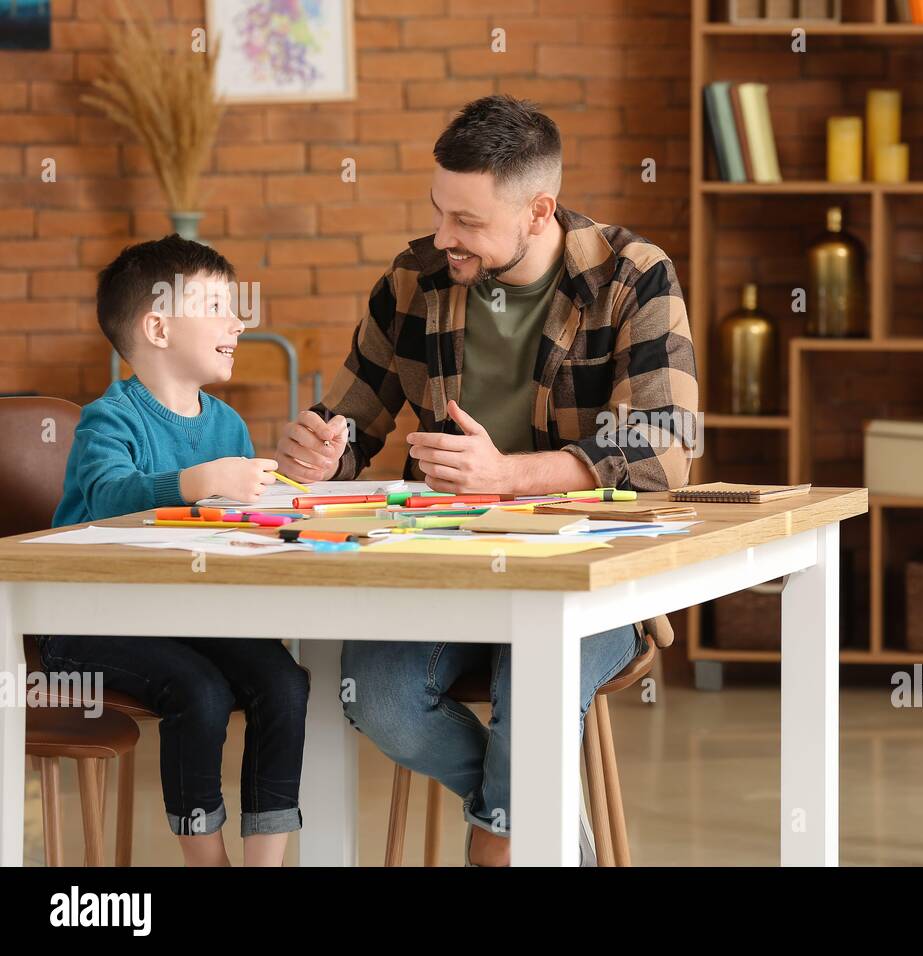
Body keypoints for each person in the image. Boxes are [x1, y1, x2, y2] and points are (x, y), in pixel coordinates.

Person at [274, 95, 698, 866]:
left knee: (535, 678)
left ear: (539, 210)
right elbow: (351, 422)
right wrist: (316, 448)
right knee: (373, 694)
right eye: (440, 212)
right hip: (446, 563)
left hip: (588, 574)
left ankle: (499, 844)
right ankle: (543, 831)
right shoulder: (414, 281)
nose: (444, 238)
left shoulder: (635, 277)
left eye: (466, 222)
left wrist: (507, 477)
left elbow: (665, 449)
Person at [39, 235, 310, 866]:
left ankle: (266, 863)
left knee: (284, 683)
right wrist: (199, 483)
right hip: (86, 624)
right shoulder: (110, 420)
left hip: (181, 619)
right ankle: (206, 860)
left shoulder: (227, 426)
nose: (239, 321)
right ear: (158, 326)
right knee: (202, 691)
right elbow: (109, 497)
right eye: (219, 306)